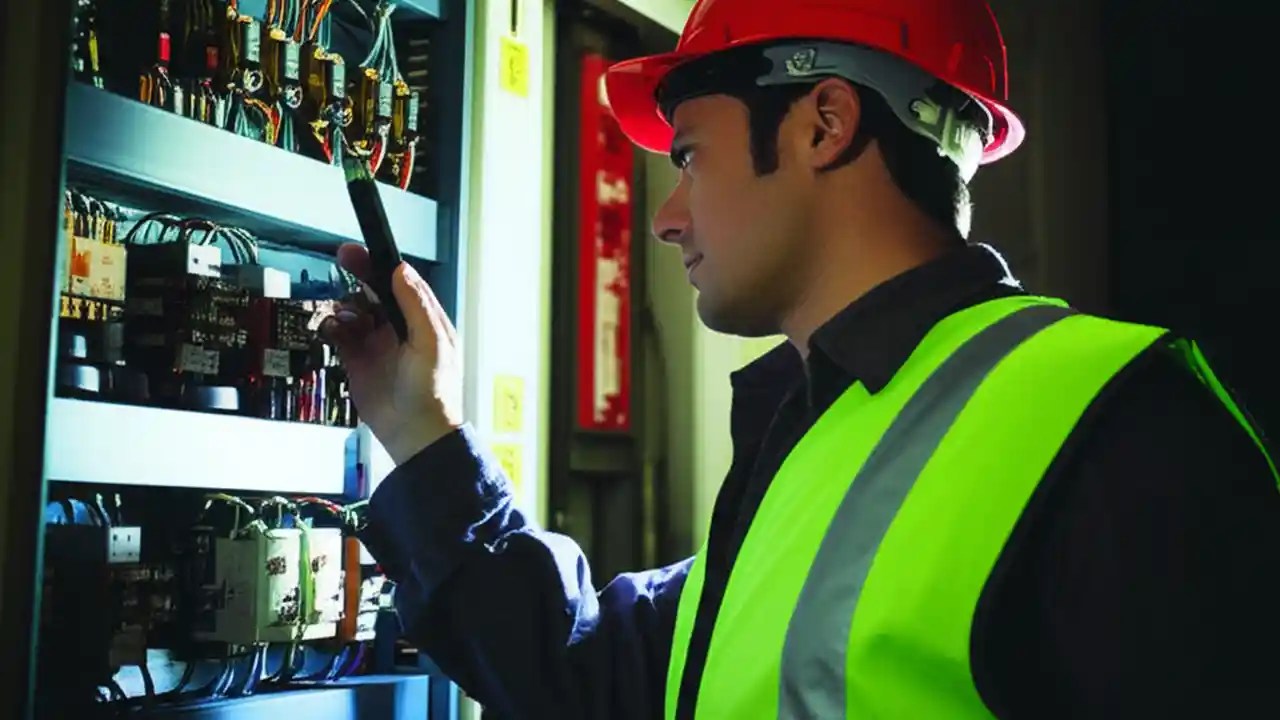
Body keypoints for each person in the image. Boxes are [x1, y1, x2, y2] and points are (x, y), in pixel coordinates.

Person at [322, 0, 1280, 717]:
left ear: (824, 124)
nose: (666, 216)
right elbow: (596, 669)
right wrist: (422, 428)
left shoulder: (1128, 425)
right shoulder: (825, 434)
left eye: (690, 156)